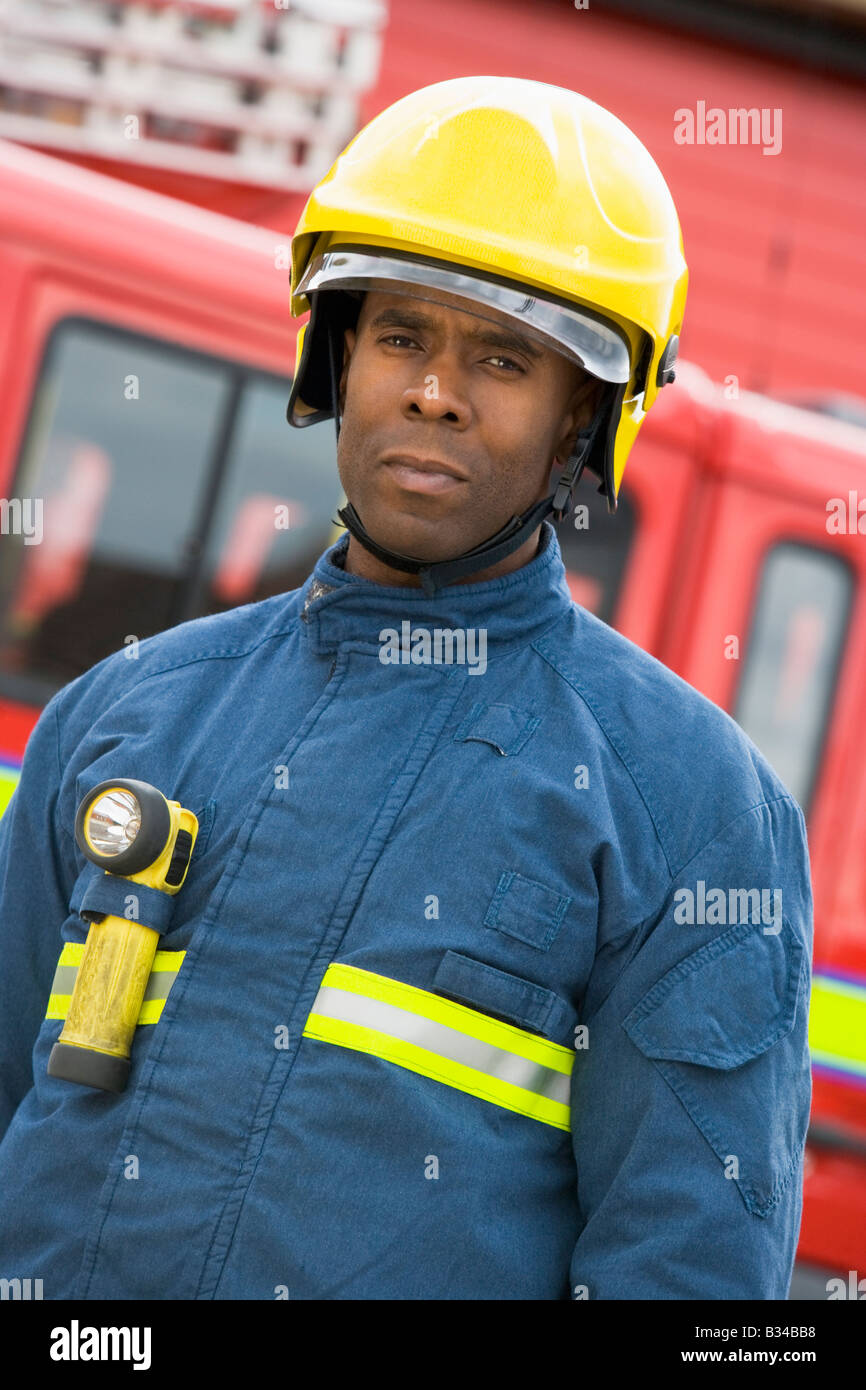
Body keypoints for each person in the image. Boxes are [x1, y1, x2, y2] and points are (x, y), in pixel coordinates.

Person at [0, 76, 812, 1300]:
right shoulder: (122, 719)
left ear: (580, 418)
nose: (434, 390)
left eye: (500, 356)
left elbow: (688, 1278)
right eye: (399, 336)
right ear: (333, 355)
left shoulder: (691, 811)